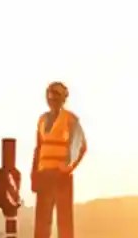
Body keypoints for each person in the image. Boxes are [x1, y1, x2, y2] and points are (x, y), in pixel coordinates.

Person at [31, 81, 86, 238]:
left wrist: (68, 167)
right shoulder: (42, 120)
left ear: (63, 99)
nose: (52, 100)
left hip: (61, 177)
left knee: (64, 222)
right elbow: (38, 148)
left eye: (56, 97)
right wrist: (34, 175)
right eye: (50, 97)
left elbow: (80, 146)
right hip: (44, 176)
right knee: (42, 223)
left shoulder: (70, 119)